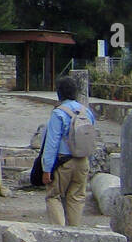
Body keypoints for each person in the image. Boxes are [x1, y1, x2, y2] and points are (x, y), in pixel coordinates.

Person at [40, 75, 97, 226]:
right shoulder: (87, 112)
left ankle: (59, 235)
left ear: (59, 93)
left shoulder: (58, 113)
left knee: (54, 197)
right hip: (82, 161)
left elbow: (51, 144)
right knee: (77, 198)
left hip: (63, 162)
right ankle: (74, 233)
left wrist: (46, 169)